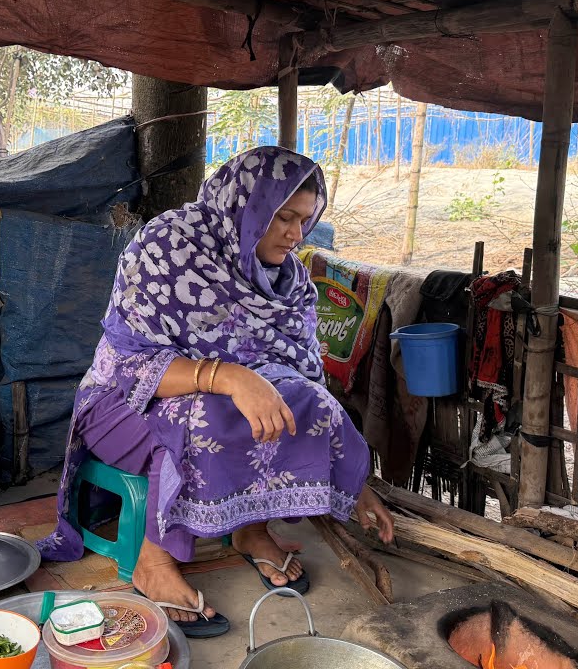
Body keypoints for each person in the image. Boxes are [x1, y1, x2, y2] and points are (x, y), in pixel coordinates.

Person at [37, 146, 395, 638]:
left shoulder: (288, 284)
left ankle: (249, 528)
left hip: (223, 404)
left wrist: (357, 480)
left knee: (306, 400)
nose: (296, 235)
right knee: (205, 414)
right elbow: (126, 363)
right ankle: (153, 557)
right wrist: (229, 377)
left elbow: (306, 383)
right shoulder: (166, 249)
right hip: (122, 406)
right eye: (282, 218)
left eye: (305, 220)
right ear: (242, 207)